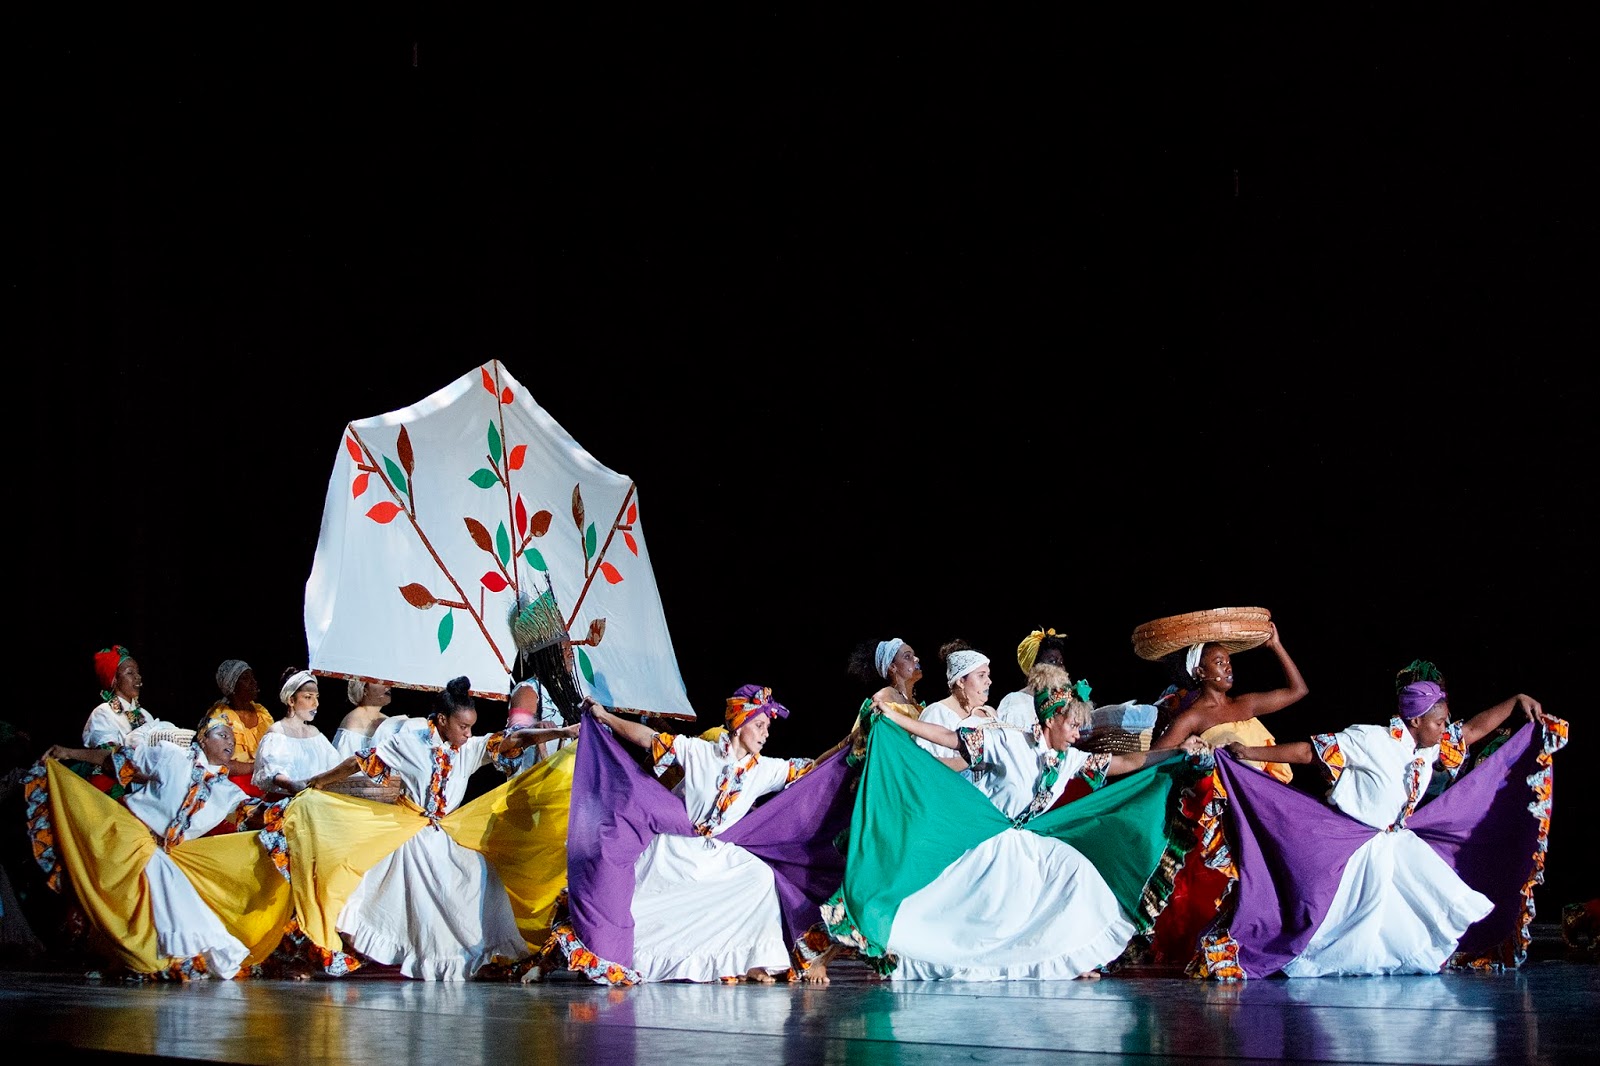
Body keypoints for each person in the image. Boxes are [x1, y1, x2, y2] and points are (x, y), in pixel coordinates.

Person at [825, 665, 1210, 981]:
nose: (1078, 734)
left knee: (1078, 874)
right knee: (964, 924)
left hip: (1026, 841)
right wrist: (895, 718)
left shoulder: (1069, 758)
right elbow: (946, 737)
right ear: (1051, 719)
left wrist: (1175, 752)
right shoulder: (1007, 741)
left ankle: (1070, 957)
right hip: (986, 841)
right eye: (1073, 725)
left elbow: (1123, 763)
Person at [1195, 679, 1564, 978]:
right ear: (1415, 721)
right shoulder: (1371, 739)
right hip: (1356, 845)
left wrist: (1516, 700)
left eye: (1444, 723)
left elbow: (1472, 730)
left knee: (1424, 909)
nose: (1444, 729)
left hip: (1396, 843)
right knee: (1347, 926)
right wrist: (1250, 753)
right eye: (1438, 723)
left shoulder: (1427, 748)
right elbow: (1309, 753)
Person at [548, 685, 852, 985]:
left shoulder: (763, 770)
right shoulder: (698, 752)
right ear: (739, 724)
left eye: (767, 727)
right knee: (639, 905)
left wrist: (846, 745)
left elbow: (811, 769)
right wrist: (605, 716)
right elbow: (647, 738)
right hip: (674, 849)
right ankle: (612, 950)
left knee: (760, 877)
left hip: (715, 851)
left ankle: (751, 959)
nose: (765, 734)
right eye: (759, 725)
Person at [287, 675, 579, 980]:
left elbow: (514, 739)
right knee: (408, 886)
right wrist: (321, 780)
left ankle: (480, 954)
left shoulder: (468, 748)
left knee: (483, 874)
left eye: (471, 727)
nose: (468, 734)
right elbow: (359, 762)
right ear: (442, 720)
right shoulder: (409, 743)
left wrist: (561, 732)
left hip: (442, 832)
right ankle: (424, 956)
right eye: (462, 726)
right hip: (408, 831)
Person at [28, 713, 288, 980]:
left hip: (162, 852)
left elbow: (258, 813)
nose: (230, 743)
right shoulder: (172, 756)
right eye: (222, 736)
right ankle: (127, 958)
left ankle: (135, 959)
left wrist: (296, 808)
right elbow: (116, 761)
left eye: (232, 740)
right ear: (203, 739)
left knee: (181, 915)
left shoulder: (227, 791)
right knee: (150, 905)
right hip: (128, 835)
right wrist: (69, 752)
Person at [1143, 622, 1310, 967]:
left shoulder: (1245, 704)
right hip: (1227, 815)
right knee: (1236, 882)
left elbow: (1298, 690)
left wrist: (1276, 646)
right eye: (1219, 663)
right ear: (1200, 673)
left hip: (1263, 808)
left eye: (1229, 662)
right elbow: (1153, 759)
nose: (1228, 668)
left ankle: (1275, 941)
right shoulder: (1192, 719)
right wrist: (1186, 752)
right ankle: (1233, 947)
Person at [794, 637, 925, 984]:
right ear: (892, 667)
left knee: (894, 882)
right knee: (872, 882)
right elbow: (855, 745)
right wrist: (816, 766)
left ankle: (886, 948)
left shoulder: (917, 707)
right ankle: (818, 954)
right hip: (884, 801)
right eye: (907, 656)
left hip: (908, 801)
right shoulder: (882, 701)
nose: (915, 660)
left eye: (914, 655)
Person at [80, 645, 182, 758]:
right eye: (130, 672)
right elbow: (107, 756)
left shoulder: (145, 715)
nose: (138, 677)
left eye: (137, 672)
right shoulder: (103, 712)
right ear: (114, 680)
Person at [253, 669, 342, 797]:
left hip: (317, 798)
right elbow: (273, 772)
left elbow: (334, 765)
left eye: (316, 697)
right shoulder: (278, 732)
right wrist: (293, 785)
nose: (316, 704)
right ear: (291, 700)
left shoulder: (315, 733)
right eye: (308, 697)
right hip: (289, 799)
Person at [914, 640, 998, 773]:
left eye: (988, 675)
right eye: (981, 675)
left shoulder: (989, 713)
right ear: (961, 681)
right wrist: (969, 759)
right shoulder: (937, 713)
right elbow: (921, 763)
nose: (989, 681)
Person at [205, 660, 273, 794]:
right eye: (246, 679)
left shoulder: (262, 713)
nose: (254, 682)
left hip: (265, 776)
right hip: (235, 783)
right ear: (232, 686)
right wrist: (257, 767)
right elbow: (219, 764)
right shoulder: (220, 716)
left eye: (253, 677)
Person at [494, 679, 574, 779]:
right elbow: (513, 739)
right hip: (535, 781)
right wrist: (535, 729)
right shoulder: (528, 689)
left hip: (567, 778)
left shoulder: (571, 690)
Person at [995, 628, 1071, 728]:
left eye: (1061, 662)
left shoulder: (1062, 701)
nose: (1060, 667)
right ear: (1034, 667)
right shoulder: (1015, 701)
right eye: (1052, 661)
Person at [332, 678, 410, 758]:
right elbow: (346, 761)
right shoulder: (354, 721)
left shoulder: (387, 720)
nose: (387, 686)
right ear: (364, 690)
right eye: (378, 681)